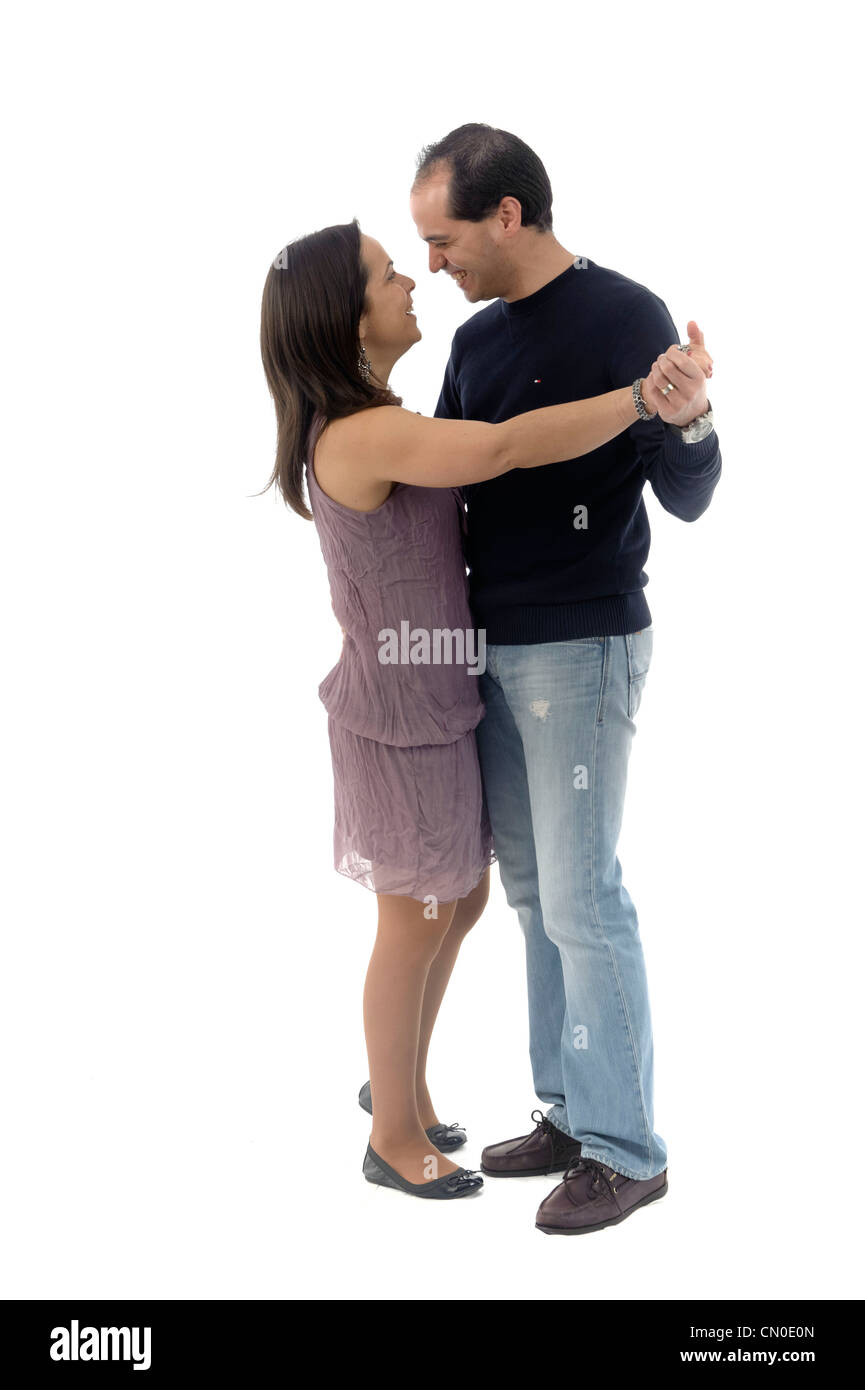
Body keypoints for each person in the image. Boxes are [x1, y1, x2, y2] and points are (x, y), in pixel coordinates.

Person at [259, 218, 712, 1204]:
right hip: (403, 714)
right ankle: (392, 1134)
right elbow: (504, 447)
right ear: (344, 317)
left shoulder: (377, 414)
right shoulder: (369, 430)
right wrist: (638, 396)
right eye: (387, 274)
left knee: (460, 900)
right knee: (420, 915)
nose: (413, 281)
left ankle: (424, 1101)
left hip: (438, 698)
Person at [409, 123, 722, 1234]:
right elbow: (451, 481)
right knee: (538, 898)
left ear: (507, 215)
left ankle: (628, 1150)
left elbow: (688, 492)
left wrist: (687, 419)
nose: (432, 264)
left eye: (442, 241)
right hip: (493, 651)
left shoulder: (625, 316)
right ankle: (571, 1110)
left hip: (583, 648)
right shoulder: (478, 342)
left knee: (585, 900)